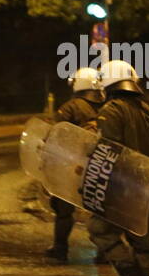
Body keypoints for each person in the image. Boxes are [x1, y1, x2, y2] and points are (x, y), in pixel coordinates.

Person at [89, 59, 149, 276]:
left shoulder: (111, 110)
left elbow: (108, 151)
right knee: (141, 235)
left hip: (123, 182)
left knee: (100, 229)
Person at [44, 67, 104, 262]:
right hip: (100, 165)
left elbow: (54, 134)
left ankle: (60, 249)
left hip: (72, 165)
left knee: (64, 209)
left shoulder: (70, 107)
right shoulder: (108, 106)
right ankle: (105, 252)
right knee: (100, 210)